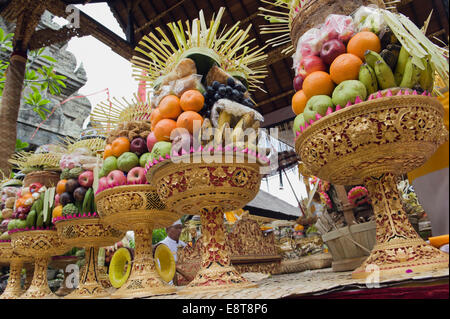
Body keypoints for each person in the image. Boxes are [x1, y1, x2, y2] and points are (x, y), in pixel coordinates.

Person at [155, 220, 192, 284]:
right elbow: (161, 268)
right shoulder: (162, 246)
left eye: (181, 228)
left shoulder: (184, 245)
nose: (179, 231)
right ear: (167, 230)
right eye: (176, 228)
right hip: (169, 282)